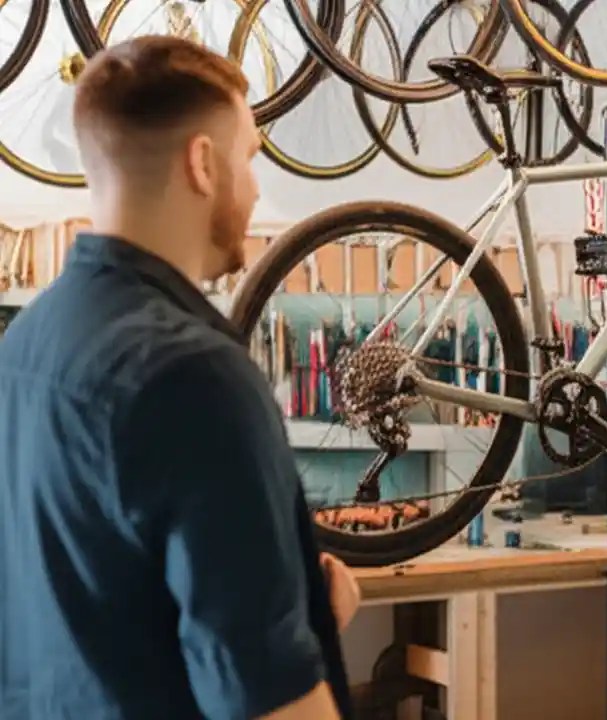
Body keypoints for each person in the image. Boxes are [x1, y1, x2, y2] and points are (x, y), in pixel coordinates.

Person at [0, 36, 357, 719]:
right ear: (202, 162)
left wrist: (296, 616)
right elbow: (268, 701)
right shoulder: (198, 378)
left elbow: (92, 608)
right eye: (250, 157)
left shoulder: (26, 346)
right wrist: (291, 639)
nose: (254, 187)